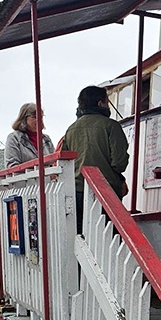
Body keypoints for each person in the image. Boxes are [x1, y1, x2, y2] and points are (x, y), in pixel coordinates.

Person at [61, 85, 129, 233]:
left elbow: (64, 162)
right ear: (100, 103)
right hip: (106, 191)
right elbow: (119, 163)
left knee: (80, 237)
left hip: (77, 191)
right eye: (107, 102)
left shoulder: (71, 129)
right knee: (108, 237)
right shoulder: (111, 126)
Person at [4, 103, 55, 167]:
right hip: (24, 177)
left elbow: (54, 162)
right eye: (35, 117)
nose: (39, 120)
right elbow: (11, 165)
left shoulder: (46, 139)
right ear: (24, 118)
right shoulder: (14, 138)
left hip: (46, 176)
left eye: (41, 117)